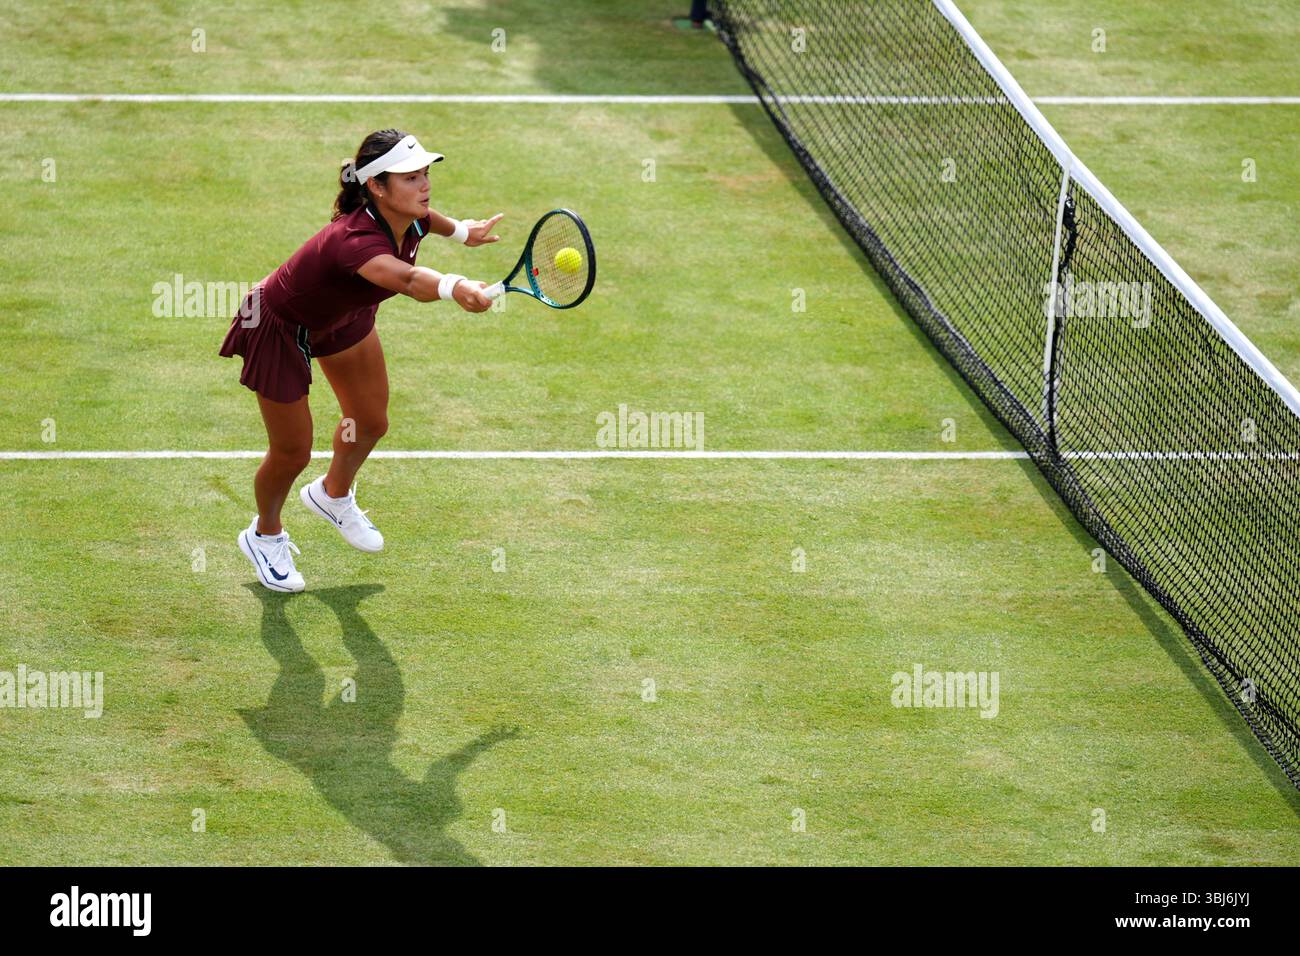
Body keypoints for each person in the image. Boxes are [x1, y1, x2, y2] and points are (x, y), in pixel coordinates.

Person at [219, 128, 500, 592]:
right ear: (376, 186)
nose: (424, 186)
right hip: (279, 326)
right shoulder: (353, 241)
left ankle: (331, 494)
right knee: (292, 452)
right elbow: (409, 281)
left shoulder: (411, 215)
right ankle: (264, 535)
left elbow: (431, 221)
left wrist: (465, 232)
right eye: (410, 178)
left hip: (342, 317)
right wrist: (456, 286)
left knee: (369, 421)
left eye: (425, 174)